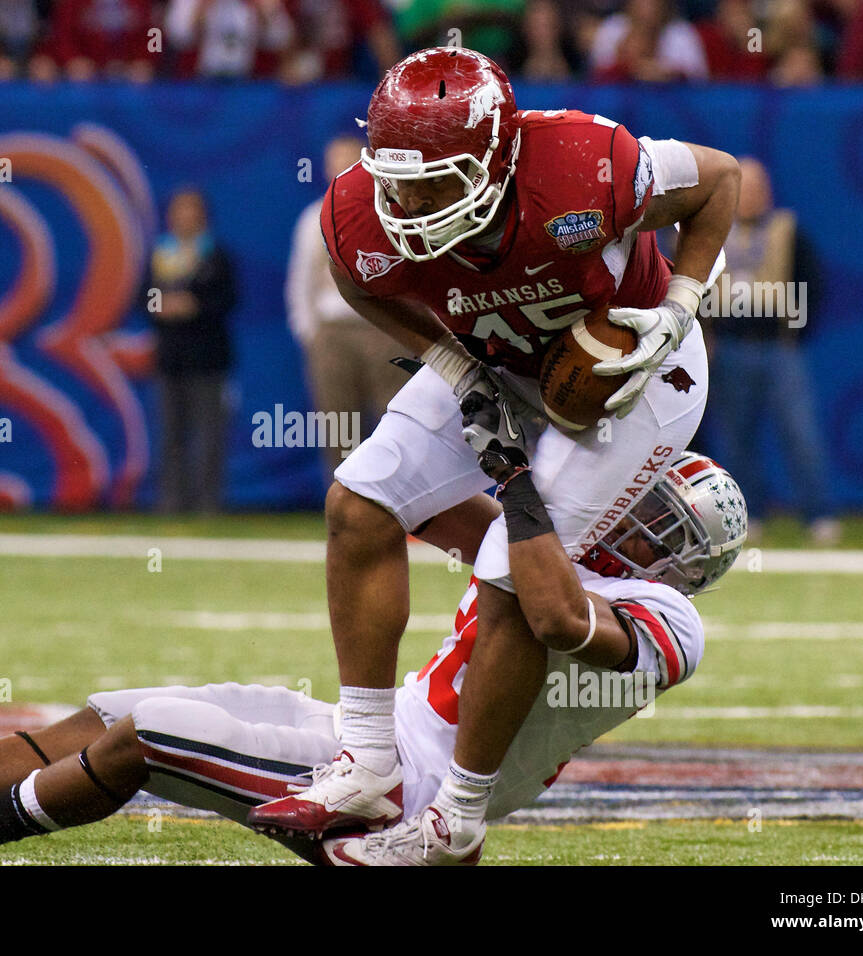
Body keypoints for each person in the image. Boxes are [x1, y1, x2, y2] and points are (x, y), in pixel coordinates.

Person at [0, 453, 746, 866]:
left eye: (656, 511)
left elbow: (560, 617)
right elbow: (426, 505)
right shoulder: (550, 548)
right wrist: (457, 420)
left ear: (682, 555)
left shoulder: (663, 616)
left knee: (150, 738)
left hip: (407, 803)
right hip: (375, 740)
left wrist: (528, 490)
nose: (630, 505)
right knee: (116, 710)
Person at [242, 47, 739, 846]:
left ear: (496, 155)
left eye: (432, 179)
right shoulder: (360, 212)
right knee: (360, 502)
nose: (406, 199)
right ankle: (368, 759)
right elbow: (356, 278)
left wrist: (680, 304)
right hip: (497, 355)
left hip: (634, 377)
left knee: (515, 576)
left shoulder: (587, 166)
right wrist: (449, 362)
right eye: (396, 176)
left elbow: (720, 179)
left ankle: (456, 817)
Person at [705, 157, 839, 545]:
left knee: (801, 434)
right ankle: (747, 513)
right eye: (742, 188)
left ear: (768, 192)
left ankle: (819, 514)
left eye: (756, 188)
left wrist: (796, 332)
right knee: (735, 439)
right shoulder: (714, 231)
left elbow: (812, 283)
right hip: (730, 348)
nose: (749, 196)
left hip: (779, 348)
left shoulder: (787, 231)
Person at [286, 135, 409, 478]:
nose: (339, 166)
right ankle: (347, 508)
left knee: (397, 418)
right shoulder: (313, 218)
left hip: (384, 328)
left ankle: (405, 510)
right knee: (339, 424)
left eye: (347, 159)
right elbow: (301, 282)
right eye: (333, 159)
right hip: (333, 332)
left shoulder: (390, 213)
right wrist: (312, 334)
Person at [147, 188, 237, 514]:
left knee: (210, 433)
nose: (186, 216)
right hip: (170, 358)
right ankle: (171, 501)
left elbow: (228, 301)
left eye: (192, 209)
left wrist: (193, 306)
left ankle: (208, 503)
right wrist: (161, 307)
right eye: (179, 209)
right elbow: (142, 299)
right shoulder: (160, 254)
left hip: (208, 358)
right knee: (171, 432)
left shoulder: (216, 256)